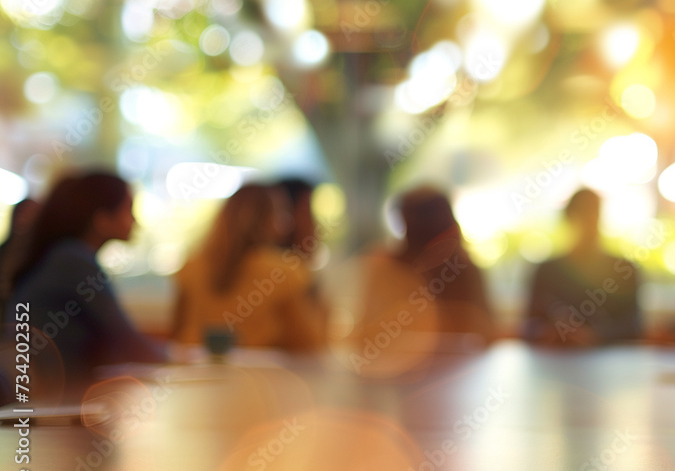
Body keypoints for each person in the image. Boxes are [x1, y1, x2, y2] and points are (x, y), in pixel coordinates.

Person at [3, 172, 165, 382]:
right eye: (129, 210)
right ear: (102, 220)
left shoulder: (63, 255)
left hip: (44, 391)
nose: (136, 221)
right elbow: (130, 344)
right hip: (53, 396)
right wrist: (188, 356)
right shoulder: (73, 261)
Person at [172, 184, 328, 352]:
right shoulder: (284, 273)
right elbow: (308, 344)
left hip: (195, 366)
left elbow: (177, 332)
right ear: (271, 220)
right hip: (258, 368)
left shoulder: (191, 267)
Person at [355, 186, 495, 358]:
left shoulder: (465, 271)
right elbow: (365, 337)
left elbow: (485, 334)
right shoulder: (386, 270)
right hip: (398, 368)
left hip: (457, 368)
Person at [523, 188, 642, 347]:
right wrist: (546, 332)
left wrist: (595, 336)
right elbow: (528, 326)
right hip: (556, 357)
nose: (589, 222)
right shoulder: (545, 271)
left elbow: (634, 327)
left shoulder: (623, 271)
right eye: (583, 214)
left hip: (608, 359)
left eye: (594, 214)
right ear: (569, 218)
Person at [0, 198, 40, 322]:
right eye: (21, 213)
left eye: (31, 214)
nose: (24, 218)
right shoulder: (6, 248)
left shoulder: (38, 254)